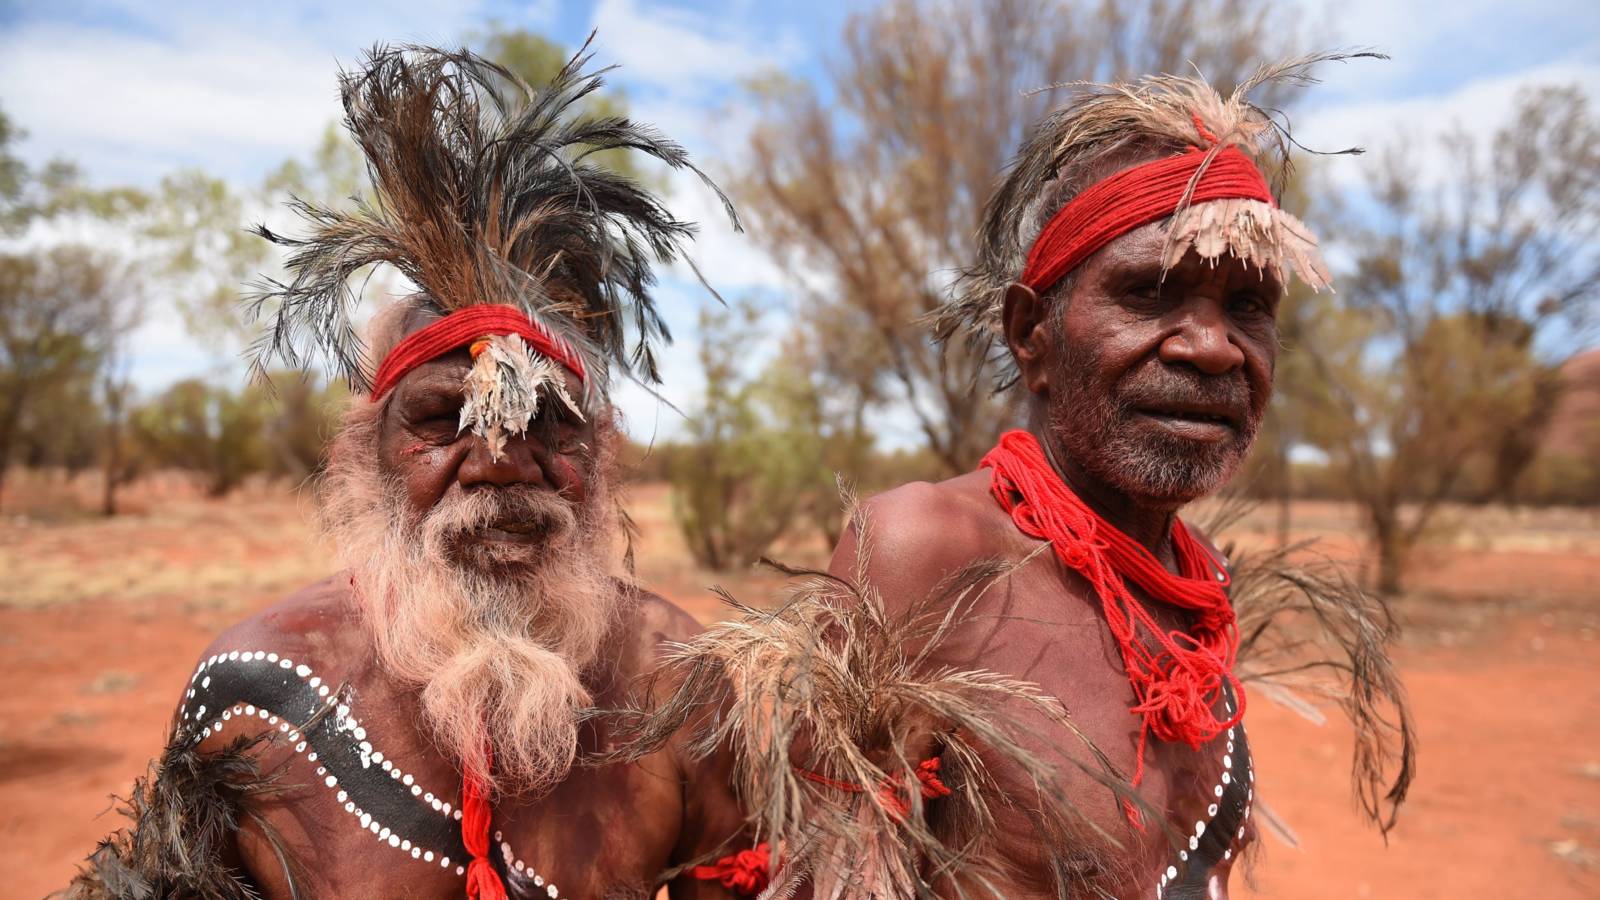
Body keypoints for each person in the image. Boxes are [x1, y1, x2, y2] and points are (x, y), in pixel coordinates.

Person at [624, 54, 1414, 899]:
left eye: (1248, 306)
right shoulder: (927, 554)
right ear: (1031, 334)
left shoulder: (1195, 580)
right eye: (1149, 292)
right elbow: (811, 868)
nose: (1212, 345)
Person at [68, 44, 765, 900]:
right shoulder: (255, 689)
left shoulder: (677, 682)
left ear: (602, 457)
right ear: (367, 456)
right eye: (443, 420)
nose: (502, 459)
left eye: (549, 424)